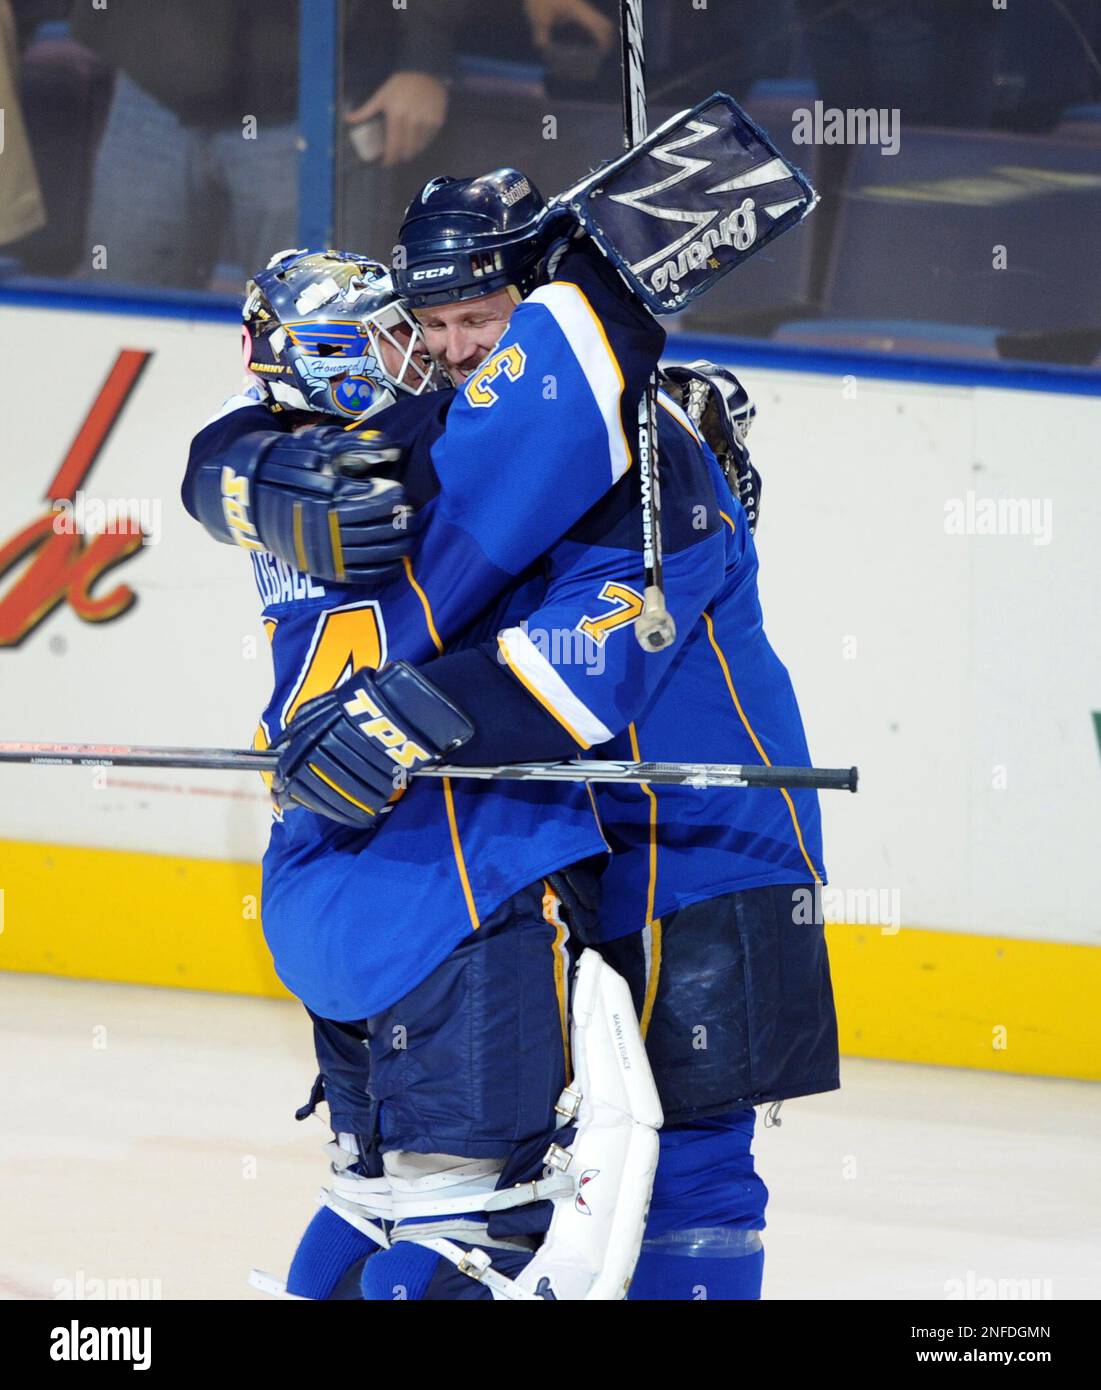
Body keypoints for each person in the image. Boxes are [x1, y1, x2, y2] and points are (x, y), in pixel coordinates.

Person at [182, 190, 671, 1298]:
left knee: (364, 1197)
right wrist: (588, 250)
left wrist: (225, 471)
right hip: (447, 886)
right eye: (400, 331)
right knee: (472, 1229)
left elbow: (220, 441)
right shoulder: (440, 468)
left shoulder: (276, 481)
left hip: (318, 884)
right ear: (339, 360)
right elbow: (590, 360)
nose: (427, 352)